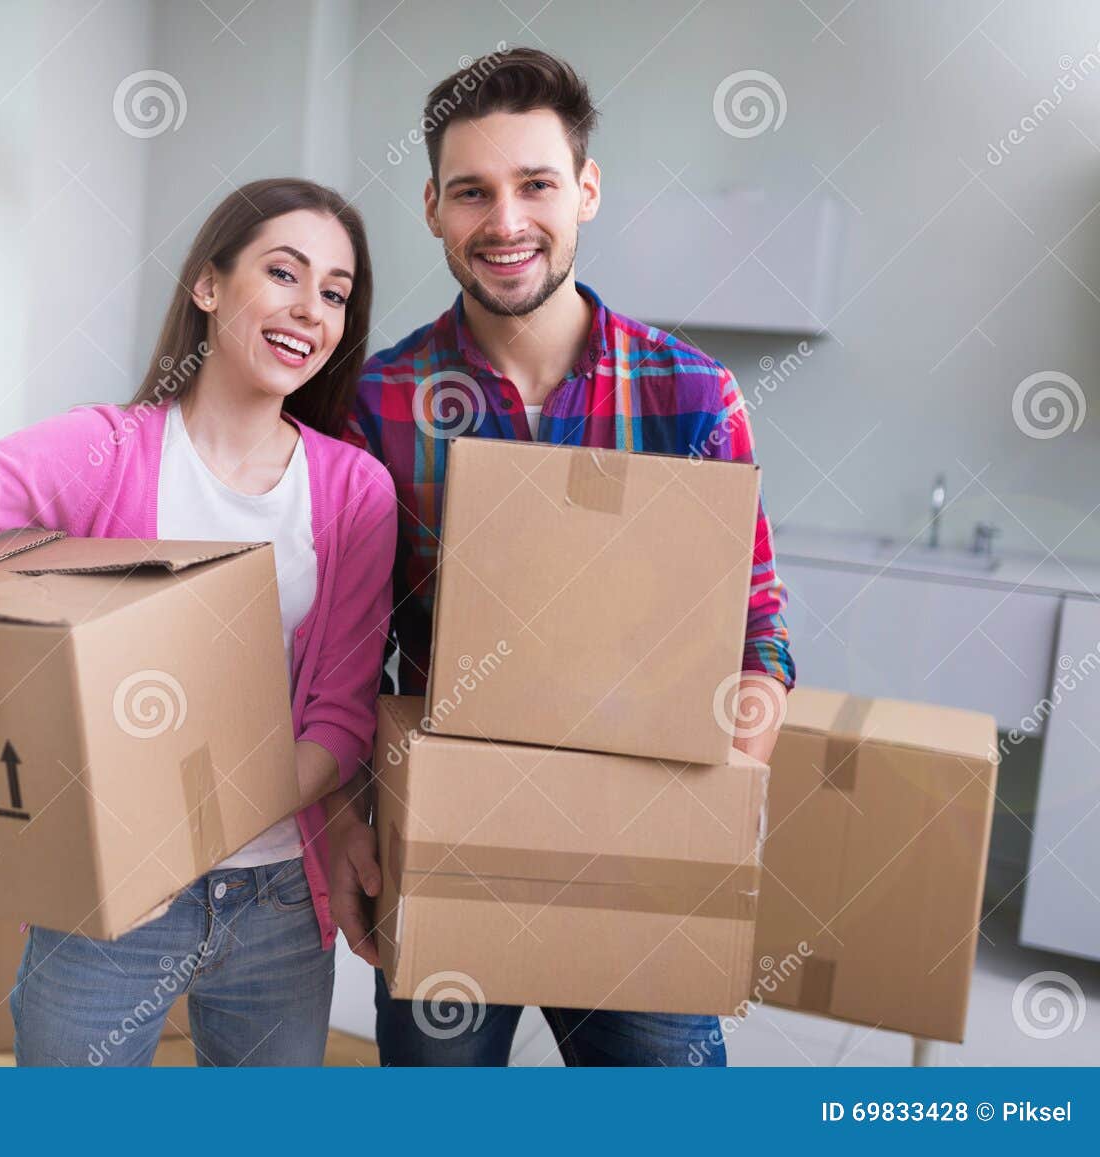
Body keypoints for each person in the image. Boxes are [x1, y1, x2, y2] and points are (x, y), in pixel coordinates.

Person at [0, 178, 395, 1067]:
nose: (311, 309)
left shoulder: (353, 490)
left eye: (335, 293)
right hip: (107, 906)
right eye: (283, 273)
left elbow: (340, 720)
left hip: (278, 902)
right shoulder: (103, 450)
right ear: (208, 284)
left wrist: (184, 828)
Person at [325, 46, 797, 1067]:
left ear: (585, 189)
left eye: (535, 184)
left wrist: (716, 804)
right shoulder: (381, 402)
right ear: (432, 208)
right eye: (471, 191)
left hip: (643, 845)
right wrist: (346, 817)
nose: (505, 221)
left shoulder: (691, 394)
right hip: (449, 845)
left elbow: (758, 635)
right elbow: (347, 655)